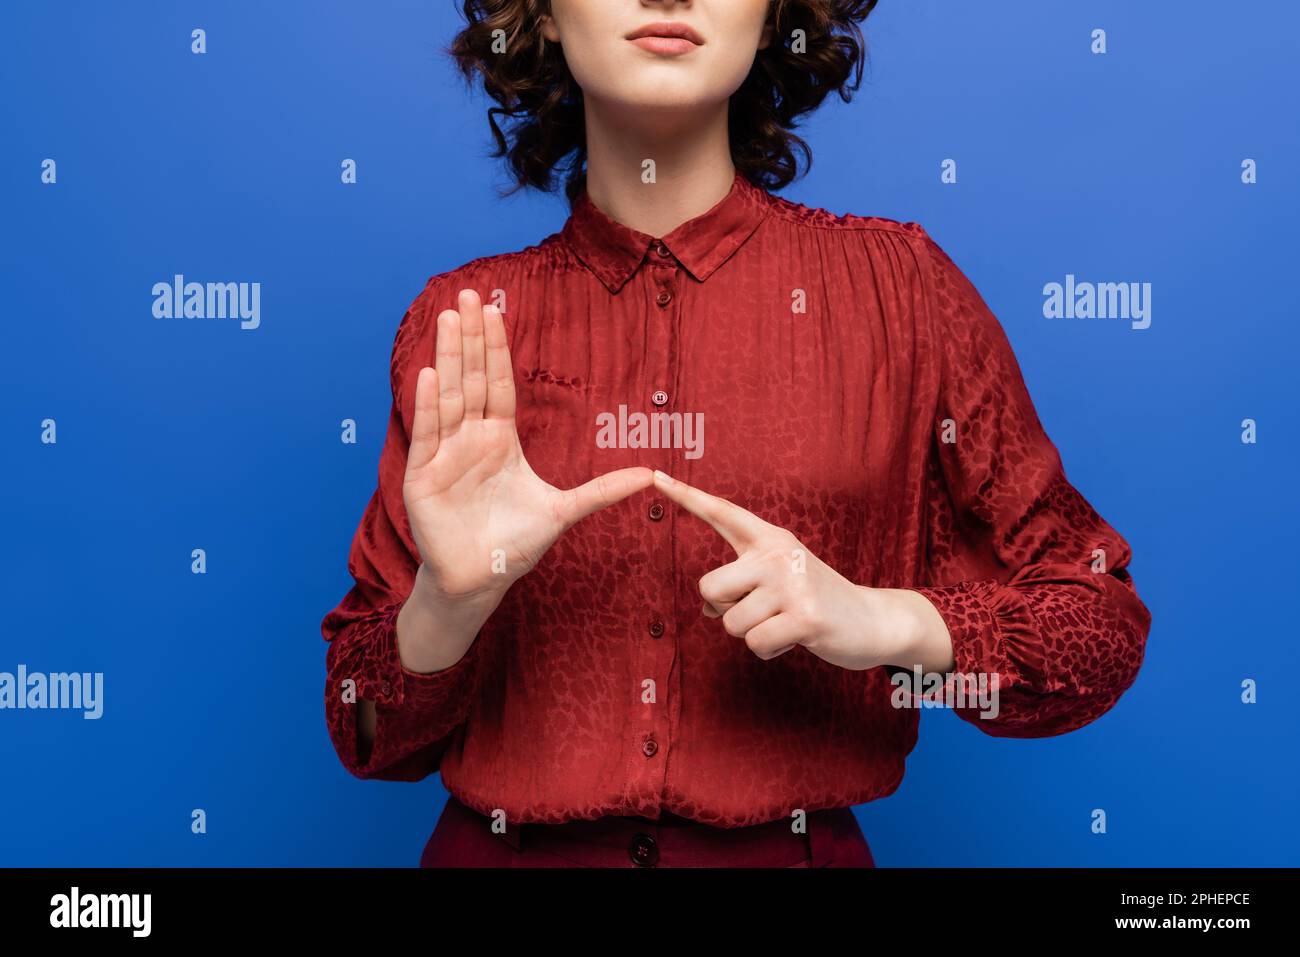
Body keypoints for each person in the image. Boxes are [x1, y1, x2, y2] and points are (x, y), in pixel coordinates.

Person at [321, 0, 1152, 868]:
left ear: (774, 17)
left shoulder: (902, 293)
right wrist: (447, 604)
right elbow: (363, 730)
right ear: (546, 16)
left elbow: (1098, 628)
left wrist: (883, 620)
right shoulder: (460, 328)